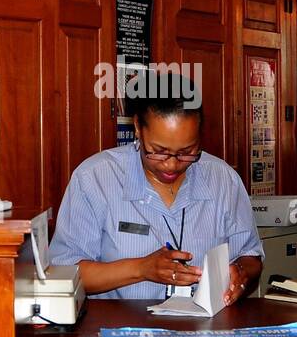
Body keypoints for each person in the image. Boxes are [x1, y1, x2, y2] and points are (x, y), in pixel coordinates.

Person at [48, 75, 265, 303]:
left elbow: (250, 256)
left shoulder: (223, 180)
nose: (171, 165)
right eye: (159, 151)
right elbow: (64, 273)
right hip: (119, 323)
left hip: (204, 323)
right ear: (137, 128)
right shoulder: (95, 179)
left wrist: (241, 273)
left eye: (187, 152)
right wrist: (141, 269)